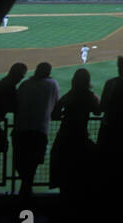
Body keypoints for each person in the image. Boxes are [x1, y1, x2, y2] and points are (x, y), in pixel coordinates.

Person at [50, 70, 101, 200]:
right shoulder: (89, 95)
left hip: (64, 136)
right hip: (80, 136)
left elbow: (54, 114)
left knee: (64, 172)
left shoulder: (69, 95)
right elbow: (97, 111)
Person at [12, 63, 60, 197]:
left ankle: (25, 190)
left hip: (20, 130)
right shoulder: (52, 84)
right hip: (38, 131)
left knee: (22, 162)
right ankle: (26, 192)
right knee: (32, 163)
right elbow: (57, 107)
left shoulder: (25, 84)